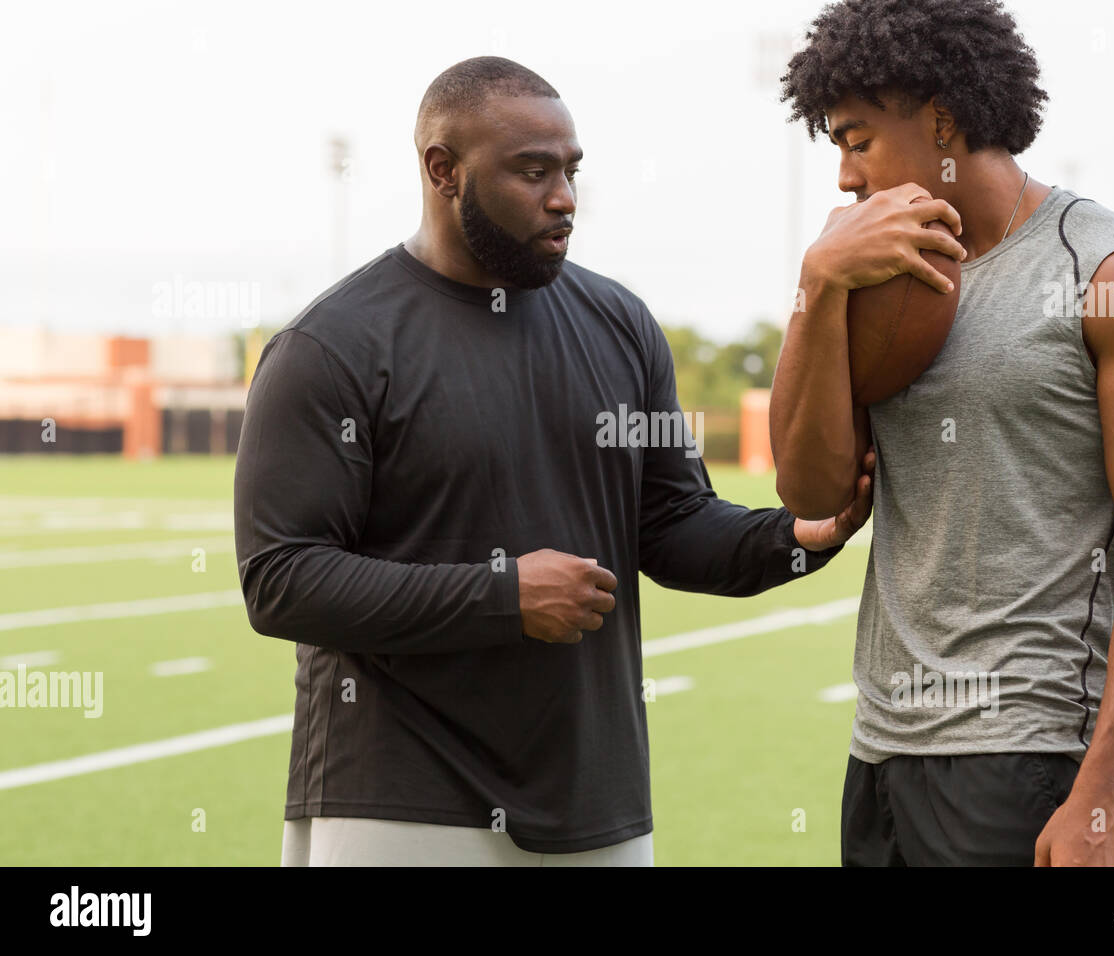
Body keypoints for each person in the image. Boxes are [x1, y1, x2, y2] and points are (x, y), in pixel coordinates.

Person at [233, 56, 872, 867]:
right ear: (442, 171)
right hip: (397, 799)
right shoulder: (331, 346)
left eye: (570, 171)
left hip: (592, 800)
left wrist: (798, 535)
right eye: (532, 172)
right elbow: (282, 579)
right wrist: (503, 596)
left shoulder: (621, 323)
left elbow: (671, 525)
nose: (564, 196)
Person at [769, 0, 1114, 866]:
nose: (842, 177)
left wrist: (1107, 791)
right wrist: (817, 284)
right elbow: (810, 490)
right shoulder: (869, 277)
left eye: (856, 139)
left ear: (941, 119)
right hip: (884, 747)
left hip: (1035, 753)